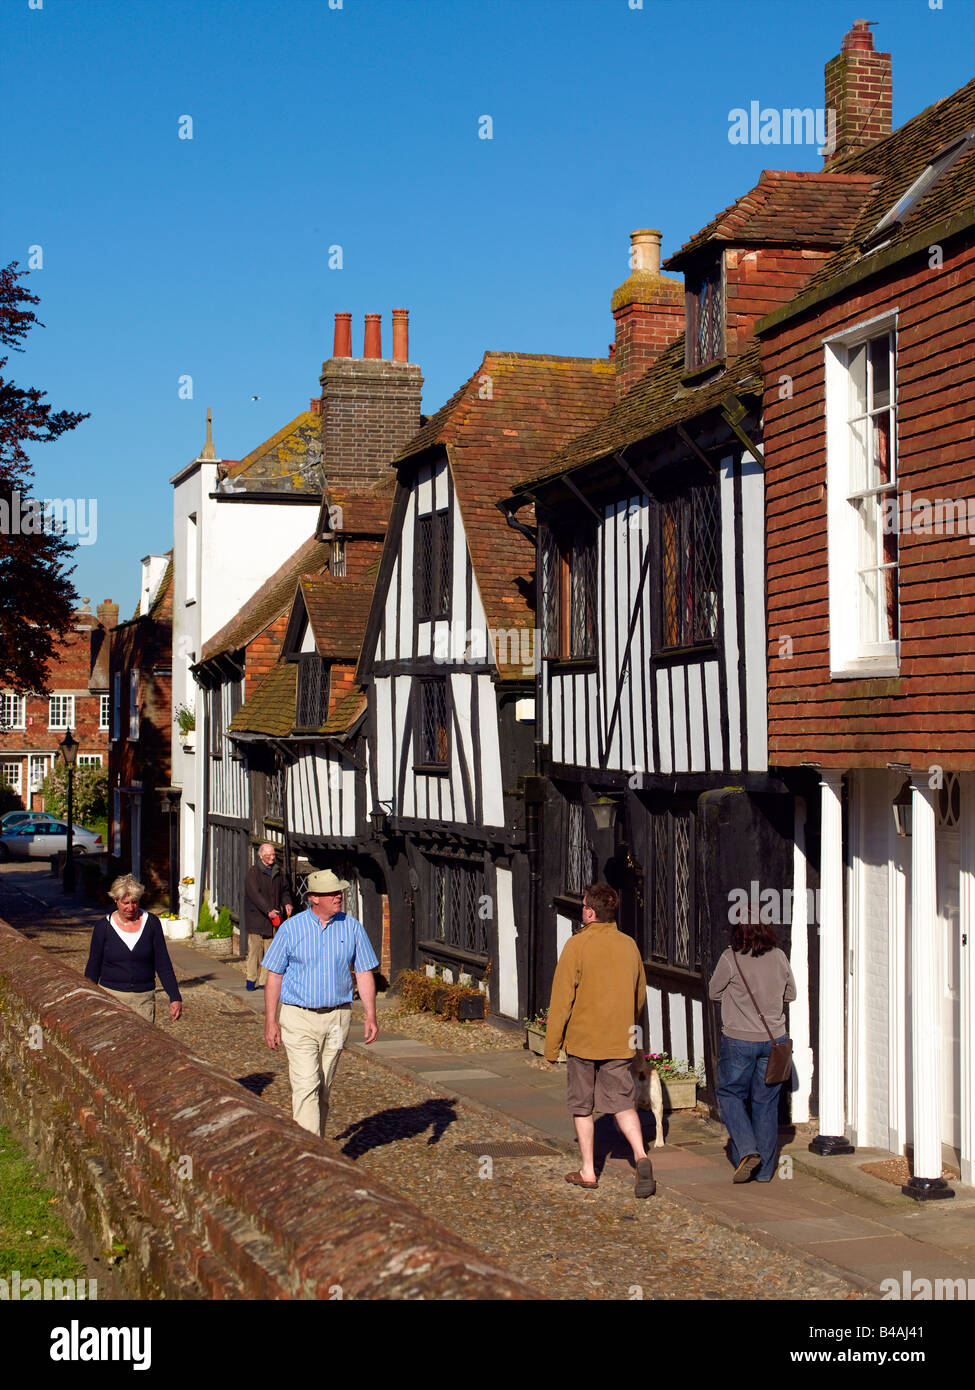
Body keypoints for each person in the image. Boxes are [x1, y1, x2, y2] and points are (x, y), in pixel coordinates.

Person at [544, 882, 656, 1198]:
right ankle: (641, 1155)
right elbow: (639, 994)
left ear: (590, 912)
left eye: (583, 907)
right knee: (622, 1102)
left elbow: (561, 998)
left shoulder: (576, 946)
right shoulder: (629, 945)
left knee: (582, 1104)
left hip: (583, 1040)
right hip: (618, 1039)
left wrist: (551, 1048)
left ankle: (588, 1171)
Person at [262, 868, 379, 1138]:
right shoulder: (292, 929)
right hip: (298, 1017)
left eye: (339, 891)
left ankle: (318, 1144)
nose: (339, 896)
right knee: (306, 1085)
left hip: (338, 1018)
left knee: (324, 1086)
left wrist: (371, 1015)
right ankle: (309, 1153)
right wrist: (270, 1020)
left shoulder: (351, 928)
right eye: (332, 893)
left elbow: (363, 972)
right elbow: (274, 975)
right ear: (314, 898)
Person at [708, 916, 797, 1183]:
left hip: (738, 1039)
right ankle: (766, 1171)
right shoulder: (779, 956)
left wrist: (738, 1004)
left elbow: (714, 992)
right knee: (766, 1104)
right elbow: (791, 994)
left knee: (730, 1094)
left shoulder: (730, 958)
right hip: (774, 1041)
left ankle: (746, 1149)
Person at [84, 874, 183, 1025]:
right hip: (111, 996)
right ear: (116, 900)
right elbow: (93, 966)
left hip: (143, 1000)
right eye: (126, 903)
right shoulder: (103, 927)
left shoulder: (151, 923)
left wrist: (174, 997)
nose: (131, 908)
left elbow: (163, 963)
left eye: (134, 902)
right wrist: (88, 999)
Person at [243, 842, 293, 991]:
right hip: (257, 919)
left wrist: (287, 903)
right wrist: (268, 909)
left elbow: (284, 891)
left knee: (270, 951)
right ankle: (251, 980)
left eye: (273, 855)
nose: (272, 858)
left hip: (273, 920)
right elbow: (254, 894)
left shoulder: (278, 871)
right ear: (261, 856)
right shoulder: (253, 872)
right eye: (269, 855)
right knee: (254, 951)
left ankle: (265, 982)